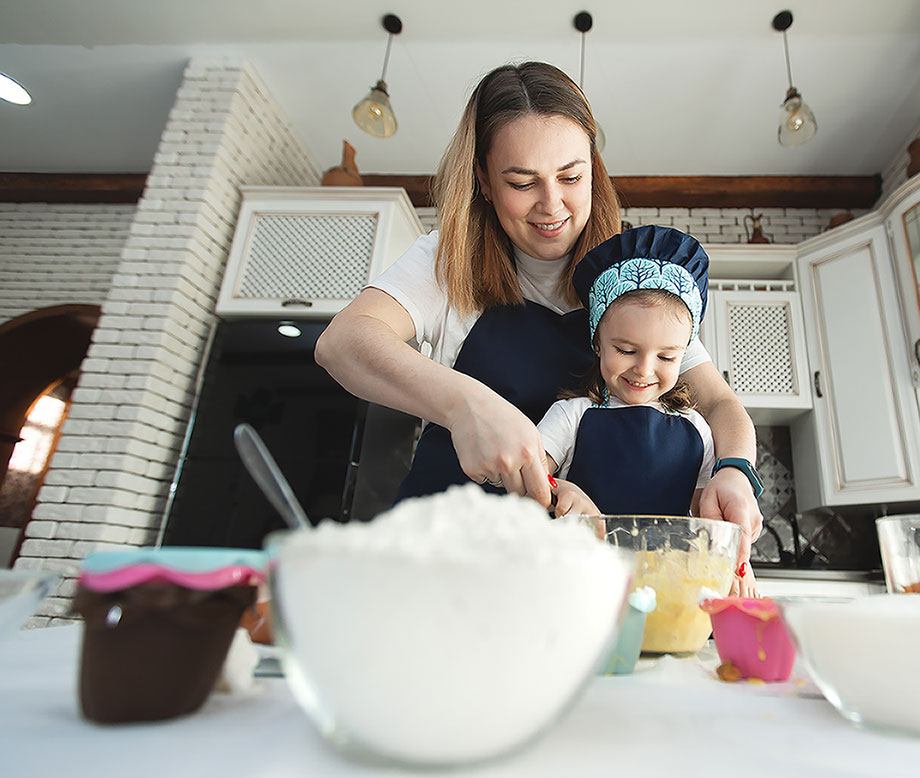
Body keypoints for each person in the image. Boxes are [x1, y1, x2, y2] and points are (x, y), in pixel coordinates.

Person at [314, 61, 764, 592]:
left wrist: (735, 471)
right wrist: (464, 404)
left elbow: (719, 403)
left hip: (570, 584)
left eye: (571, 177)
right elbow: (343, 343)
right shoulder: (449, 260)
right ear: (484, 181)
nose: (551, 205)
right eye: (522, 182)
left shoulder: (635, 280)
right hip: (444, 564)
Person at [538, 225, 715, 519]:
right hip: (578, 549)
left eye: (666, 357)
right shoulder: (571, 415)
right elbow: (527, 480)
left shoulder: (697, 429)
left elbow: (705, 520)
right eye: (626, 351)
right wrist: (561, 491)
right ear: (598, 344)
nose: (644, 370)